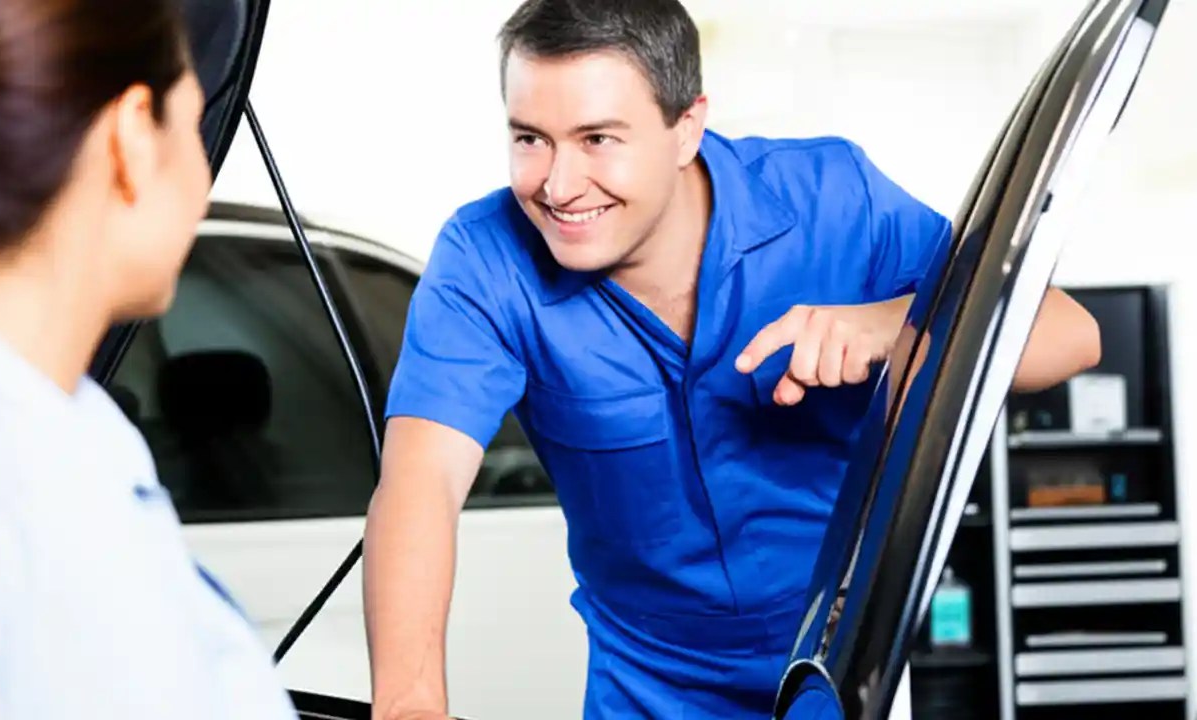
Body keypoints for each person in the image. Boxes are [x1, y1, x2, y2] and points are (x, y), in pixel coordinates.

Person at [362, 0, 1102, 718]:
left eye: (597, 140)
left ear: (687, 127)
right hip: (643, 687)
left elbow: (1071, 335)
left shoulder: (832, 201)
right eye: (530, 139)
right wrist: (409, 704)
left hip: (835, 668)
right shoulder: (483, 258)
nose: (557, 186)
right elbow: (422, 481)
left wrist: (893, 329)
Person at [0, 1, 297, 718]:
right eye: (192, 124)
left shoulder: (52, 425)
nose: (203, 179)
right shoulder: (48, 521)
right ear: (132, 137)